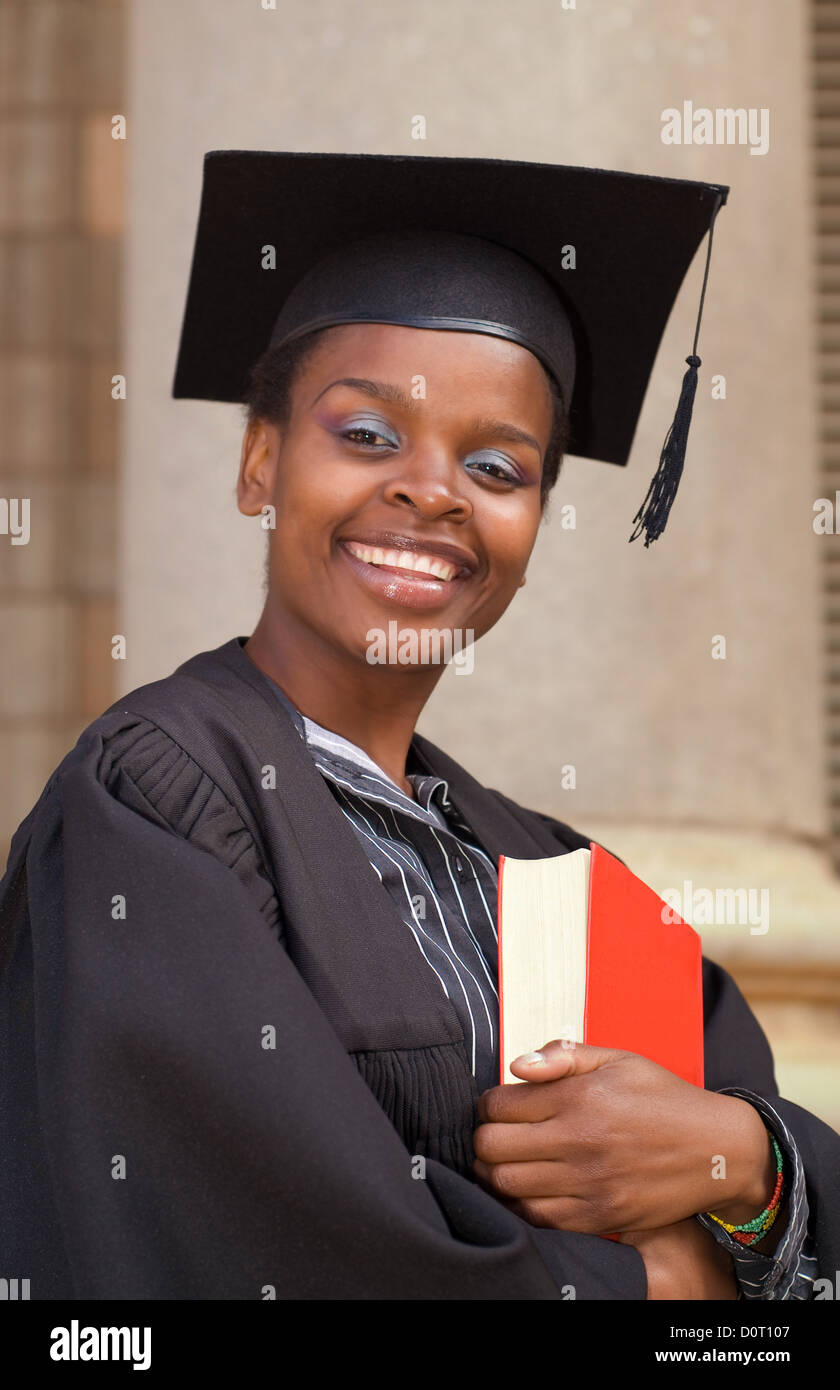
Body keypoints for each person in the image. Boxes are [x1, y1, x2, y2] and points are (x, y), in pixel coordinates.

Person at [1, 151, 838, 1301]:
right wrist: (663, 1287)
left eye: (498, 464)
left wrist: (744, 1161)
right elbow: (278, 1240)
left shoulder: (553, 870)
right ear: (261, 462)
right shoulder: (156, 796)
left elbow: (760, 1145)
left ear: (535, 522)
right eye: (366, 435)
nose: (433, 490)